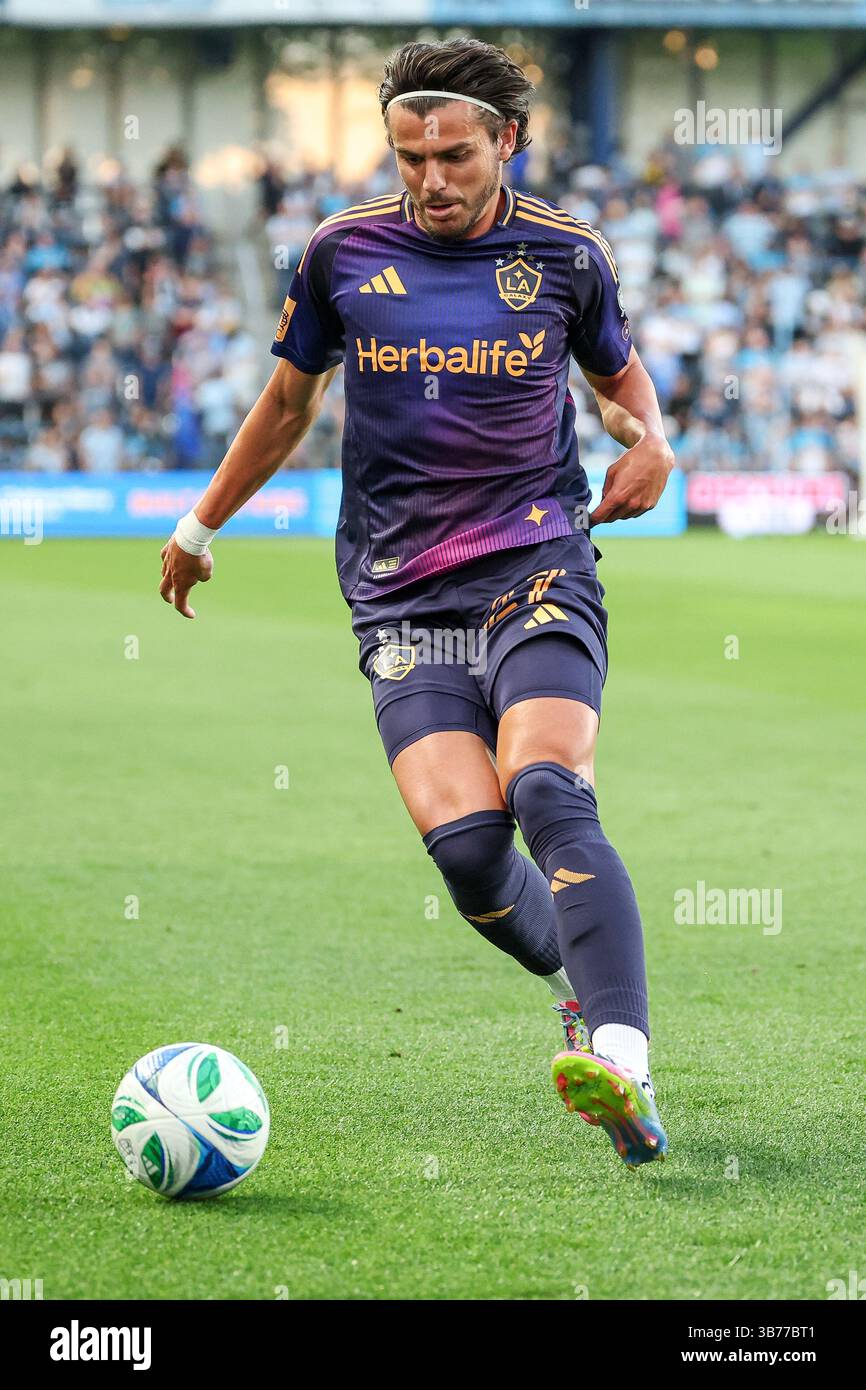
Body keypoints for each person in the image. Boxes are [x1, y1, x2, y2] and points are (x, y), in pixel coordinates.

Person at [159, 38, 675, 1169]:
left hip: (536, 561)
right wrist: (201, 526)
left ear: (506, 142)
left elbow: (616, 373)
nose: (429, 180)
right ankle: (573, 994)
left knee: (546, 784)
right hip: (397, 596)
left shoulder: (567, 256)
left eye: (451, 155)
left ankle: (628, 1062)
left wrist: (652, 439)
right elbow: (288, 402)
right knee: (466, 852)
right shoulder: (341, 253)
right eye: (408, 157)